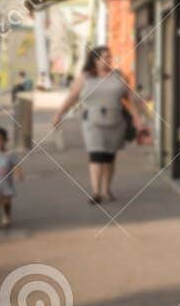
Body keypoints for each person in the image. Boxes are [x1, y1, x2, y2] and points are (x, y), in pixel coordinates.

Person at [52, 46, 142, 205]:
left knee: (109, 157)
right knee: (96, 155)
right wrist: (59, 114)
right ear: (95, 59)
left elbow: (130, 99)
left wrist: (137, 119)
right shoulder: (85, 77)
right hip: (92, 122)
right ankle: (96, 191)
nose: (108, 59)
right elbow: (72, 97)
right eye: (105, 57)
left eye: (109, 56)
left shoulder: (119, 76)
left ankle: (106, 189)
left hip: (115, 121)